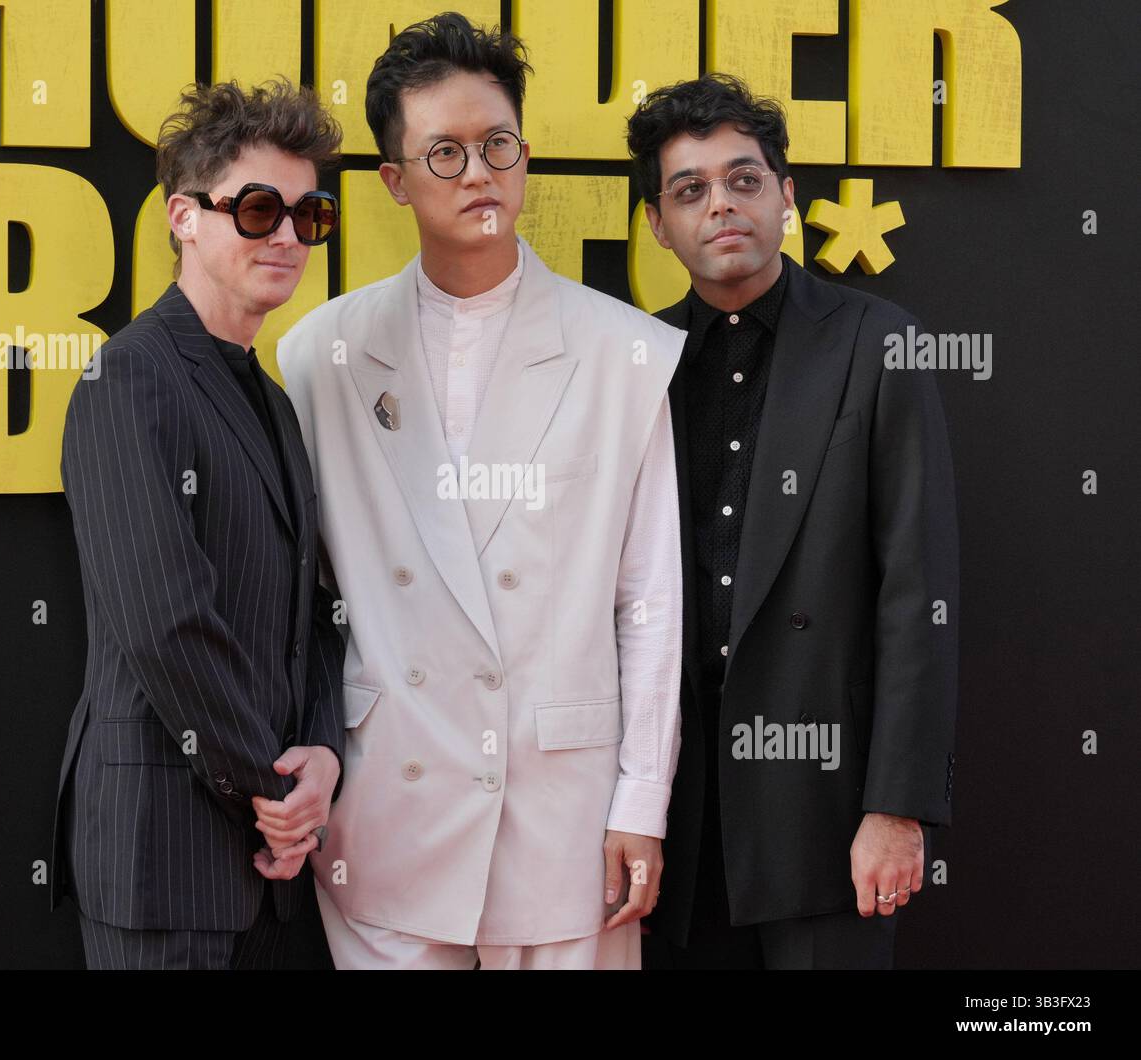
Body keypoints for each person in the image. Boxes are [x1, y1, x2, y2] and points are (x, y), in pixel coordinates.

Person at [277, 12, 684, 970]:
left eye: (497, 145)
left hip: (564, 813)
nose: (479, 174)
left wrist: (640, 801)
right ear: (395, 179)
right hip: (390, 809)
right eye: (446, 153)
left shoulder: (622, 353)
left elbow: (650, 602)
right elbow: (296, 595)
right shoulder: (319, 355)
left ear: (526, 155)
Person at [627, 73, 959, 969]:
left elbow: (916, 595)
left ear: (787, 197)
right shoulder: (632, 363)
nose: (721, 204)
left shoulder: (879, 344)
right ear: (658, 225)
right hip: (673, 826)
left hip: (829, 819)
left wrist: (896, 809)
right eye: (689, 189)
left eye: (744, 179)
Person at [49, 79, 347, 969]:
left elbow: (316, 610)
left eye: (309, 215)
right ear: (184, 216)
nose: (288, 236)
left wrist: (325, 759)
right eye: (258, 210)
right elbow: (164, 622)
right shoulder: (129, 380)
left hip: (269, 865)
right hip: (162, 852)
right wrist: (275, 798)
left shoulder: (277, 400)